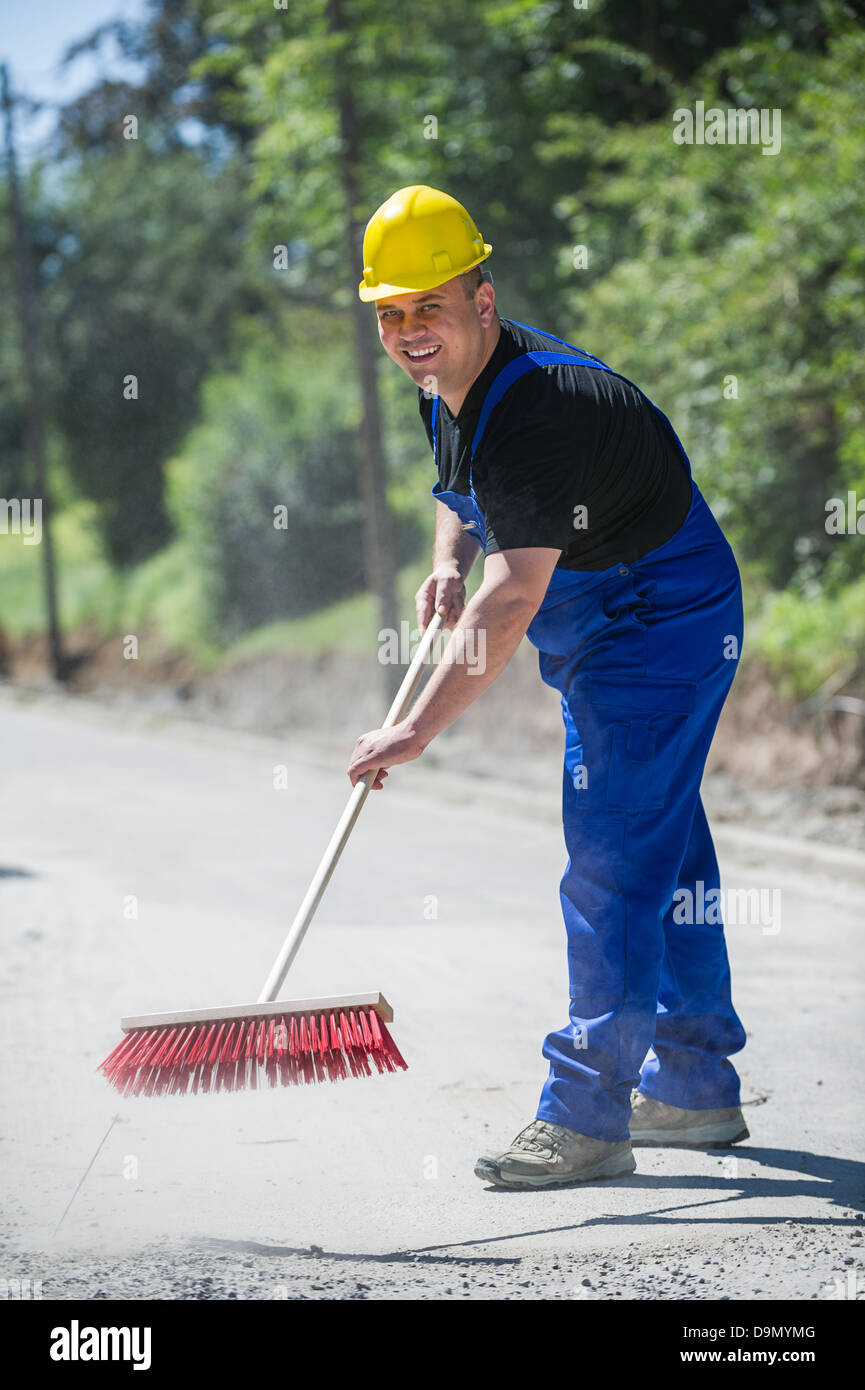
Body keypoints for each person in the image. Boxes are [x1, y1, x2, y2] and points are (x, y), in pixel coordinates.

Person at [348, 184, 748, 1190]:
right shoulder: (449, 379)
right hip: (622, 616)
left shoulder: (537, 410)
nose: (406, 333)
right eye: (390, 314)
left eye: (425, 307)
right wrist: (445, 556)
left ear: (481, 299)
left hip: (657, 619)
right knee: (660, 836)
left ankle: (584, 1112)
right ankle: (694, 1084)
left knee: (611, 856)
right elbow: (461, 498)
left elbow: (511, 598)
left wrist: (419, 732)